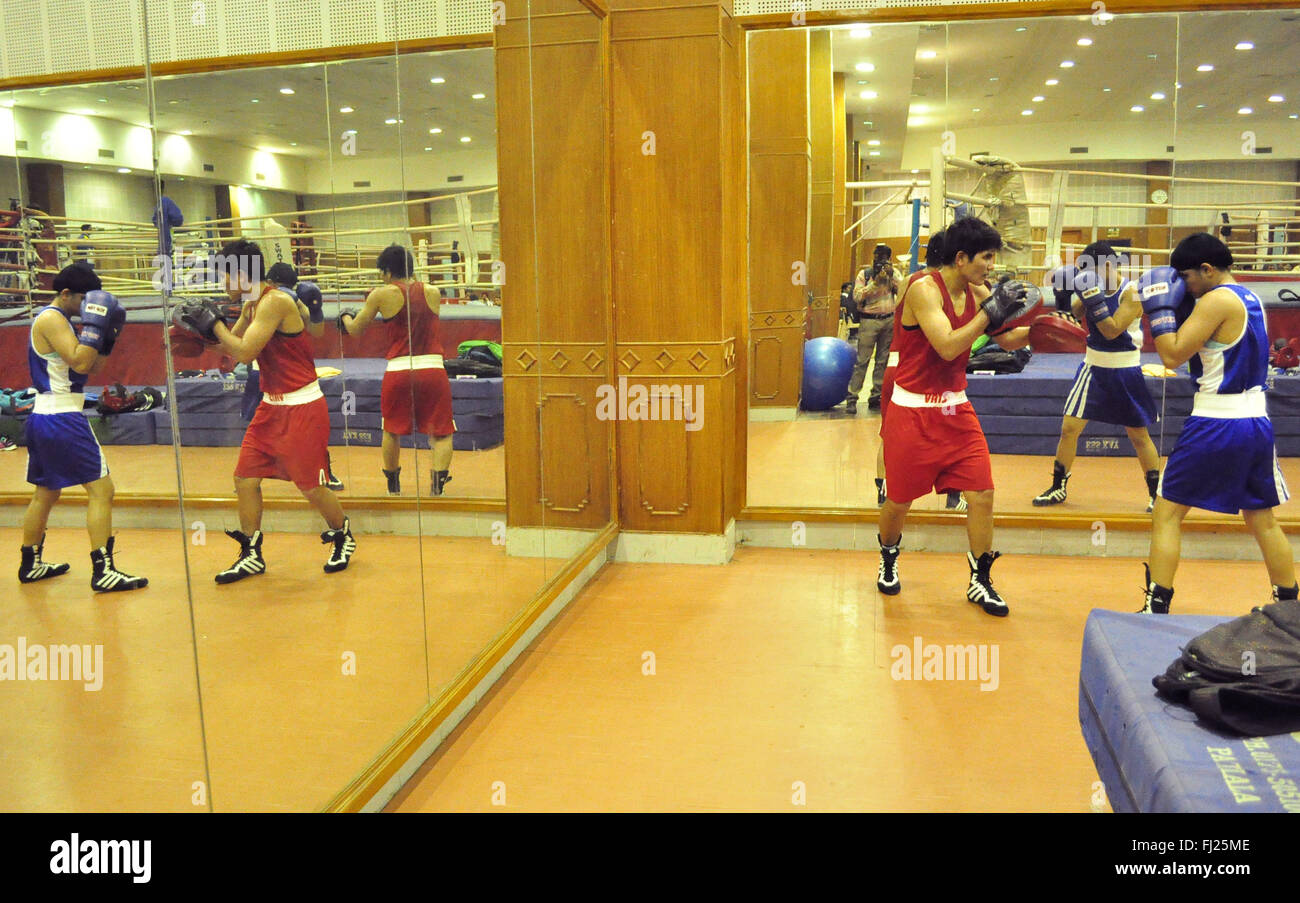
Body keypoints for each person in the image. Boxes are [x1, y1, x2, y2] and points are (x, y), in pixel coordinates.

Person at [876, 217, 1036, 616]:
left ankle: (980, 581)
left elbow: (1006, 338)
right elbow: (948, 346)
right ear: (961, 258)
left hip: (956, 407)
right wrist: (989, 313)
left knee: (982, 493)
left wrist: (1049, 328)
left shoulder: (978, 289)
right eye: (985, 257)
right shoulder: (922, 289)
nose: (991, 266)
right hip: (913, 410)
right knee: (898, 502)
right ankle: (889, 557)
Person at [175, 239, 355, 582]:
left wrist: (213, 325)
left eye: (224, 276)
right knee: (244, 478)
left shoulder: (275, 302)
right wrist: (197, 335)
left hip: (302, 405)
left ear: (241, 273)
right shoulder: (251, 306)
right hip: (271, 405)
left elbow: (244, 352)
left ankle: (343, 536)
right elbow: (228, 358)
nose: (222, 284)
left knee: (311, 487)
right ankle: (251, 553)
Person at [1138, 233, 1295, 614]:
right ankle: (1290, 608)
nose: (1184, 285)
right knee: (1262, 518)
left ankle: (1156, 606)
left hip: (1216, 421)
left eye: (1187, 277)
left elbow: (1173, 355)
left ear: (1207, 270)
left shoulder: (1214, 300)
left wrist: (1159, 314)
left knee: (1167, 513)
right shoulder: (1250, 296)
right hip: (1256, 421)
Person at [19, 263, 147, 592]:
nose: (87, 306)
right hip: (61, 416)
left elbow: (91, 366)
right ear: (65, 294)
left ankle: (30, 564)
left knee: (46, 492)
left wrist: (107, 336)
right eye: (83, 299)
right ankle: (103, 571)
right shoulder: (50, 318)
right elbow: (78, 360)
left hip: (48, 416)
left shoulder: (66, 321)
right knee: (102, 491)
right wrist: (94, 329)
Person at [1032, 242, 1161, 512]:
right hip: (1093, 367)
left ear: (1107, 266)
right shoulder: (1092, 285)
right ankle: (1058, 487)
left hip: (1125, 370)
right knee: (1069, 429)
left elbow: (1112, 330)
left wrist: (1093, 298)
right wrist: (1066, 297)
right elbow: (1075, 314)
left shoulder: (1132, 293)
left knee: (1139, 435)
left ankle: (1155, 494)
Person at [338, 244, 456, 496]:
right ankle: (437, 488)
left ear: (388, 272)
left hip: (399, 371)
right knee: (443, 432)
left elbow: (355, 330)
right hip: (433, 369)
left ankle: (393, 486)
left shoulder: (381, 294)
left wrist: (345, 316)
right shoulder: (434, 291)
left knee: (391, 430)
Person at [237, 261, 345, 492]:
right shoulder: (252, 302)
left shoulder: (286, 301)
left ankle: (321, 472)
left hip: (287, 381)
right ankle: (249, 473)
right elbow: (239, 346)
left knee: (304, 434)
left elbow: (316, 331)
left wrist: (315, 308)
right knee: (256, 428)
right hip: (262, 375)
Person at [874, 230, 944, 507]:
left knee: (888, 432)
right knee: (943, 430)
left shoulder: (909, 281)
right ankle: (952, 493)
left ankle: (883, 490)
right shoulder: (930, 286)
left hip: (897, 363)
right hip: (913, 368)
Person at [845, 243, 902, 414]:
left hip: (889, 320)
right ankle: (852, 398)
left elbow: (904, 290)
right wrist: (874, 284)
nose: (882, 260)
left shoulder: (894, 273)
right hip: (869, 321)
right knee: (862, 361)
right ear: (873, 257)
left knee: (882, 361)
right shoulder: (865, 274)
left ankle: (876, 396)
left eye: (885, 256)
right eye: (879, 256)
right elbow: (856, 296)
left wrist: (891, 278)